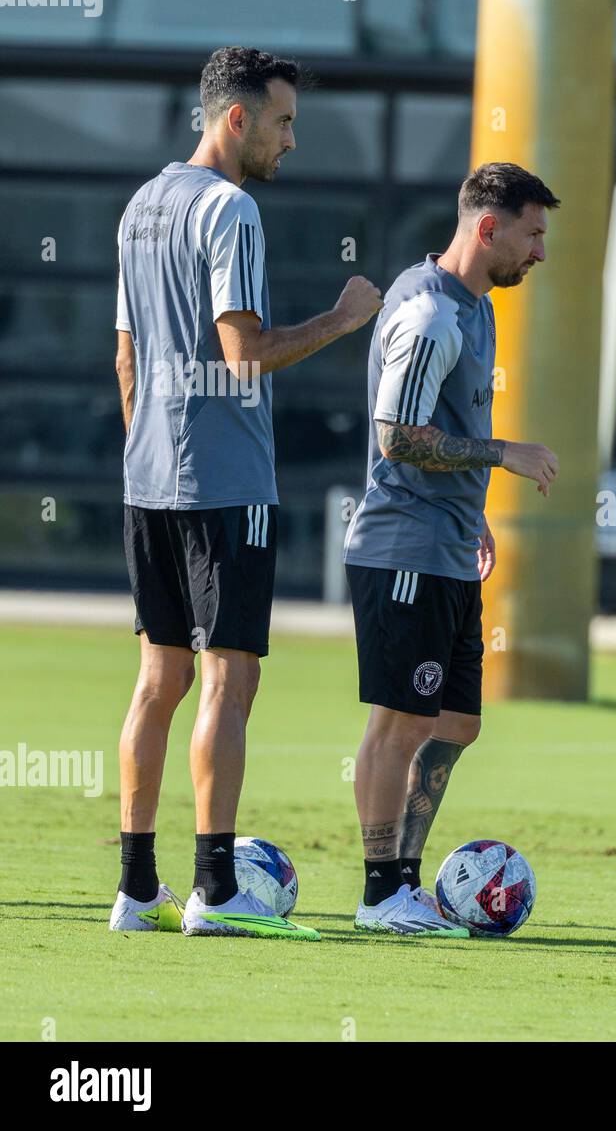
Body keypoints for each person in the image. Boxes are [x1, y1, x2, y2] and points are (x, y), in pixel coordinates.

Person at [110, 46, 382, 938]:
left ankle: (134, 890)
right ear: (237, 118)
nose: (290, 139)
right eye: (283, 121)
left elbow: (127, 360)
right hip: (225, 483)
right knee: (230, 681)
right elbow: (244, 357)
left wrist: (148, 448)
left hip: (147, 479)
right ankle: (214, 891)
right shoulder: (232, 209)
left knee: (158, 681)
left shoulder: (141, 206)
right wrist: (343, 321)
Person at [342, 162, 560, 933]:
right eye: (533, 235)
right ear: (488, 227)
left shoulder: (476, 304)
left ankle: (404, 877)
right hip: (402, 547)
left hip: (446, 542)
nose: (540, 252)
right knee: (399, 723)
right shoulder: (432, 314)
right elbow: (397, 436)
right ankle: (381, 892)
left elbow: (445, 428)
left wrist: (476, 511)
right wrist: (502, 454)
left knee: (456, 720)